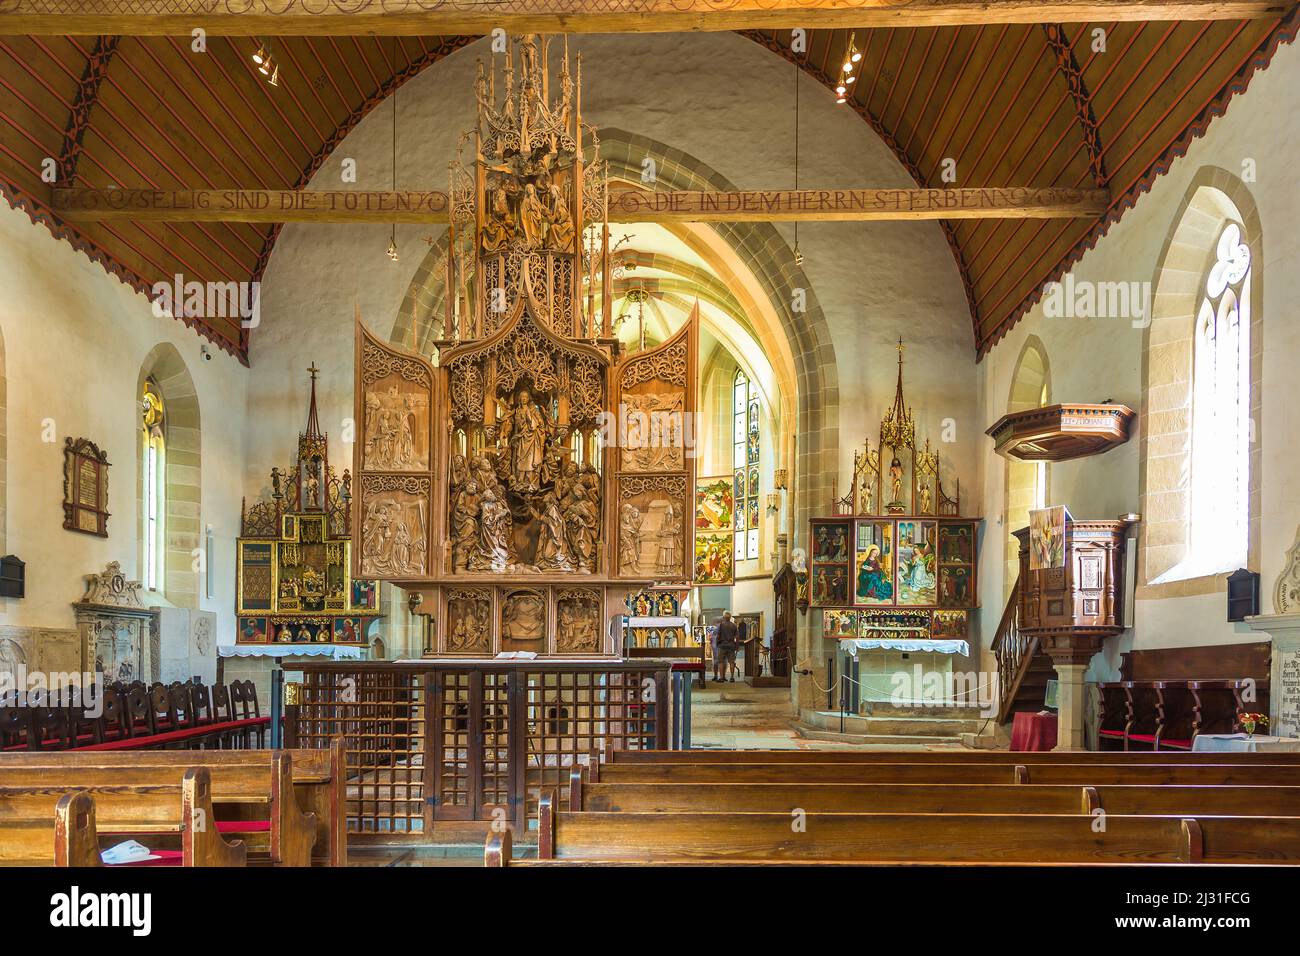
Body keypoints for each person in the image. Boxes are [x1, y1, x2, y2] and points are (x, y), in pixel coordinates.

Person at [714, 612, 739, 684]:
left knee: (721, 662)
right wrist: (737, 647)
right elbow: (737, 637)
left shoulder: (721, 625)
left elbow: (718, 636)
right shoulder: (734, 626)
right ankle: (732, 677)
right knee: (732, 662)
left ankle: (721, 678)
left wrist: (716, 644)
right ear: (730, 617)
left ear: (724, 617)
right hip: (731, 646)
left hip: (722, 646)